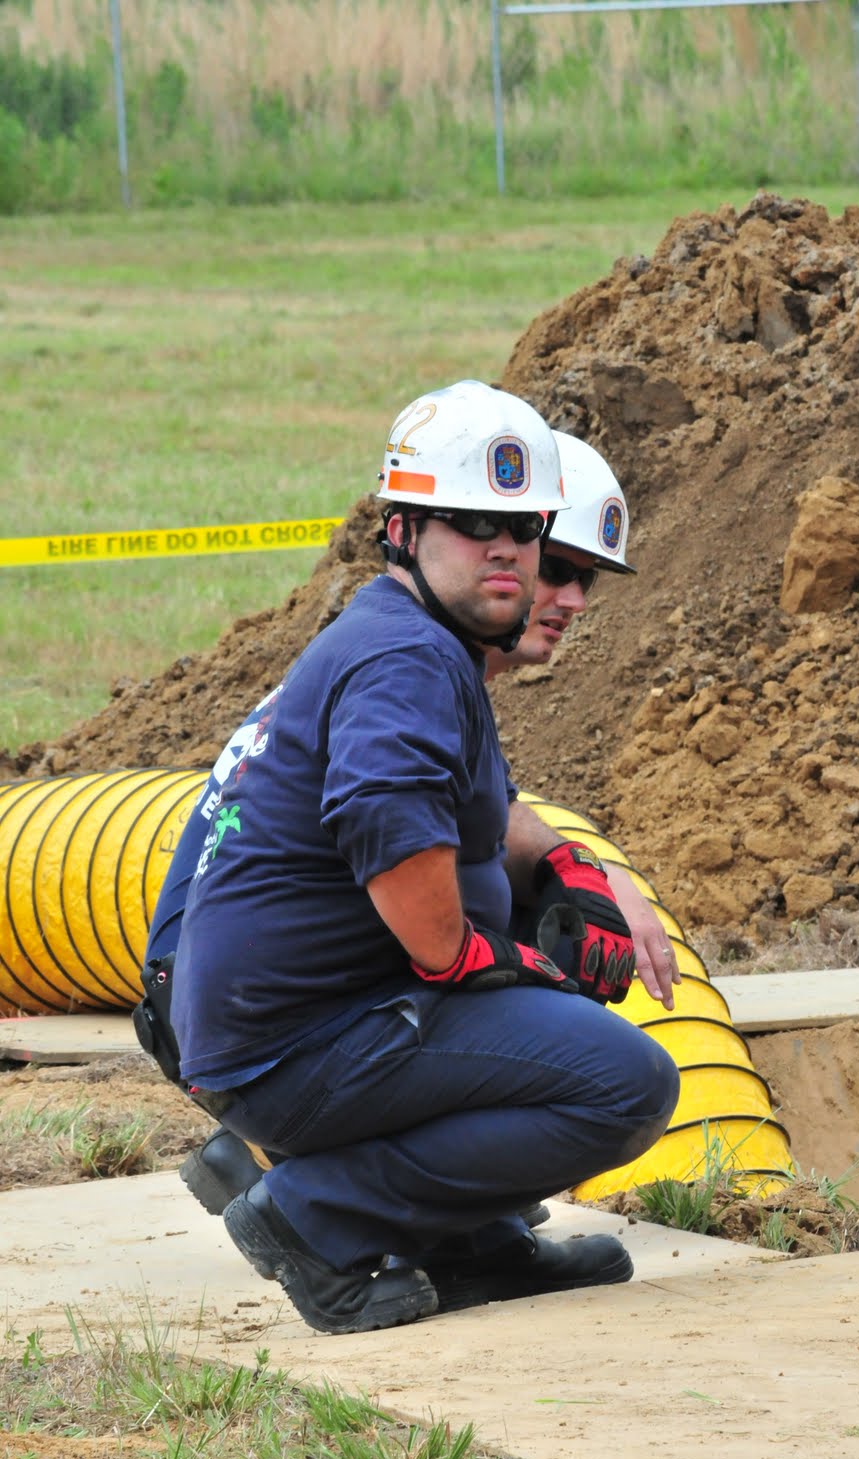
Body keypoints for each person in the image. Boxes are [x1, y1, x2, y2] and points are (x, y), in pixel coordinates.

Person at [164, 380, 680, 1334]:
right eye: (476, 523)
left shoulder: (415, 643)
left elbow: (476, 816)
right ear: (404, 527)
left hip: (281, 1020)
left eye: (524, 532)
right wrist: (484, 964)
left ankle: (463, 1236)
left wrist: (573, 869)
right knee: (625, 1084)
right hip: (298, 1037)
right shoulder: (409, 660)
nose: (513, 557)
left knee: (535, 926)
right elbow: (386, 823)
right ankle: (315, 1214)